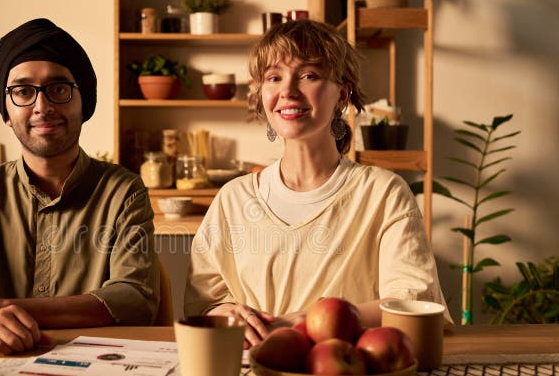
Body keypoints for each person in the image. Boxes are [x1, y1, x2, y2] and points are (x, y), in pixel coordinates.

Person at [185, 19, 449, 348]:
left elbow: (413, 301)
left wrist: (305, 321)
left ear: (342, 94)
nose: (287, 91)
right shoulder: (233, 198)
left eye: (308, 75)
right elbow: (205, 301)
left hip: (350, 370)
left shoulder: (383, 193)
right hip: (250, 367)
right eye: (274, 77)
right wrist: (228, 313)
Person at [0, 18, 159, 353]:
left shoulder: (123, 192)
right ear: (6, 112)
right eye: (23, 91)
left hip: (93, 364)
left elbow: (134, 298)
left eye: (59, 89)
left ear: (84, 103)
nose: (42, 107)